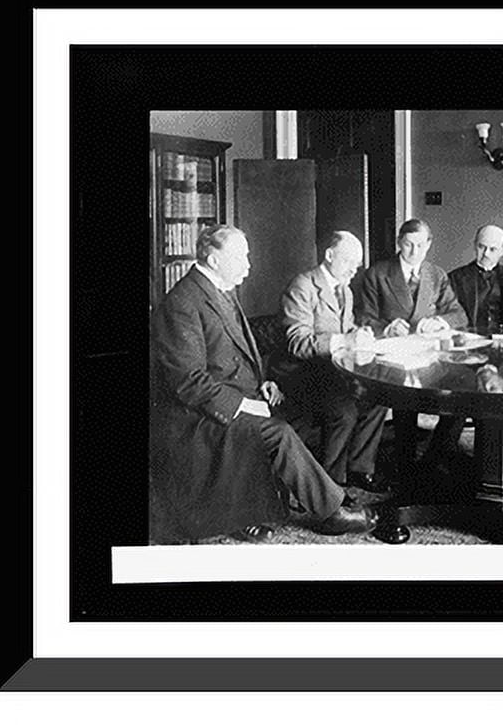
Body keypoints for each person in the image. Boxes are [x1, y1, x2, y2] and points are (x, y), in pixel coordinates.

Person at [149, 225, 375, 544]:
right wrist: (244, 403)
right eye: (241, 256)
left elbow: (236, 355)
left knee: (305, 414)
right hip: (195, 420)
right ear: (213, 260)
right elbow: (187, 381)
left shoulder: (218, 290)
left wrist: (263, 382)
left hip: (231, 397)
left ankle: (269, 504)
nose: (249, 264)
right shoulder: (183, 302)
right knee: (278, 432)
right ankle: (330, 512)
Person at [269, 231, 390, 494]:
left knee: (378, 398)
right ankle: (329, 487)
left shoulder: (344, 289)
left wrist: (361, 335)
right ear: (329, 255)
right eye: (349, 263)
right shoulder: (302, 286)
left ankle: (359, 469)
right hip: (299, 374)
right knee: (343, 411)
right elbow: (297, 343)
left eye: (357, 266)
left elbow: (345, 328)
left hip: (330, 372)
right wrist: (344, 340)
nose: (354, 271)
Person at [357, 218, 468, 474]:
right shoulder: (378, 273)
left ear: (429, 245)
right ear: (399, 242)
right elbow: (363, 317)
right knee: (403, 404)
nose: (414, 251)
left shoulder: (436, 274)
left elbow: (459, 315)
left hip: (431, 360)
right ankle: (405, 467)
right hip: (391, 359)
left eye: (420, 245)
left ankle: (433, 459)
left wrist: (439, 321)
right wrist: (385, 326)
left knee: (458, 403)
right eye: (408, 245)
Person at [425, 224, 503, 461]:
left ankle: (497, 460)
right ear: (475, 245)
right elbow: (451, 316)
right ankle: (437, 459)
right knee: (458, 402)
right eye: (482, 247)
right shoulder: (456, 277)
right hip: (466, 351)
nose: (486, 253)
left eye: (493, 248)